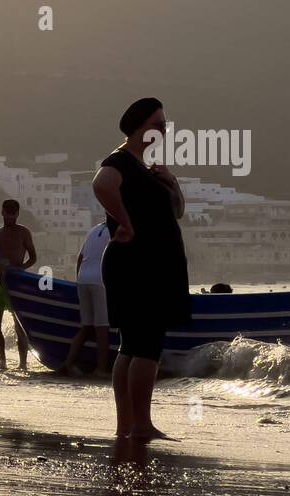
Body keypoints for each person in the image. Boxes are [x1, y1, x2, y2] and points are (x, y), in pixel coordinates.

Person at [92, 97, 191, 440]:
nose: (163, 131)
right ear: (136, 128)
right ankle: (140, 424)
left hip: (149, 263)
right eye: (157, 125)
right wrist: (125, 221)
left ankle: (129, 425)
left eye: (165, 125)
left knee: (132, 345)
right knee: (147, 343)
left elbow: (177, 211)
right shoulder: (120, 161)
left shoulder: (148, 166)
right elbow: (101, 184)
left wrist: (172, 182)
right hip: (138, 263)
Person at [59, 219, 112, 376]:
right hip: (100, 280)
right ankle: (101, 369)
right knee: (102, 328)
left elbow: (80, 258)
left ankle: (69, 363)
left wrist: (78, 281)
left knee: (87, 327)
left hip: (83, 278)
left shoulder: (94, 229)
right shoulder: (118, 230)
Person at [0, 199, 35, 371]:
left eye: (13, 214)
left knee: (19, 323)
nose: (10, 217)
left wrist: (19, 269)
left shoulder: (23, 232)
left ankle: (23, 363)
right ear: (2, 213)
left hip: (16, 283)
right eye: (7, 213)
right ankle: (2, 360)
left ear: (17, 214)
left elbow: (33, 257)